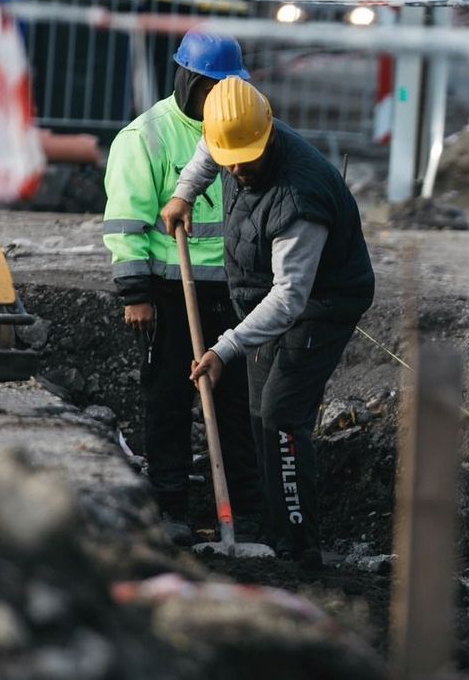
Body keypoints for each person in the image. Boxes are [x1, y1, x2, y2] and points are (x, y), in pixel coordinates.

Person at [160, 77, 374, 568]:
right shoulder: (237, 137)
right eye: (228, 157)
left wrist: (223, 347)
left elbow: (290, 298)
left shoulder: (300, 201)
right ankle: (266, 527)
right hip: (262, 294)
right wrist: (185, 194)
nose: (234, 168)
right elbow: (211, 151)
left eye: (245, 159)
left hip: (322, 302)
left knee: (281, 415)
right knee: (257, 409)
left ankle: (298, 545)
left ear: (269, 134)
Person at [103, 32, 262, 546]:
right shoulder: (145, 137)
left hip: (232, 294)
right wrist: (136, 293)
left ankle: (244, 511)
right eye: (215, 89)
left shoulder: (240, 128)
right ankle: (169, 505)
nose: (223, 100)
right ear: (192, 83)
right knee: (168, 400)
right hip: (172, 295)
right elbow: (126, 222)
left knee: (237, 406)